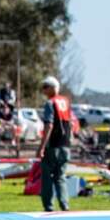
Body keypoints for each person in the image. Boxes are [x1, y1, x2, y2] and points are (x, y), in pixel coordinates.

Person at [37, 75, 72, 212]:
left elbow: (49, 125)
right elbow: (70, 124)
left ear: (53, 88)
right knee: (60, 177)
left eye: (46, 86)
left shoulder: (50, 103)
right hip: (65, 146)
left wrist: (42, 147)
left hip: (53, 147)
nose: (44, 90)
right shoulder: (66, 102)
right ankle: (65, 205)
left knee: (47, 177)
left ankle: (48, 207)